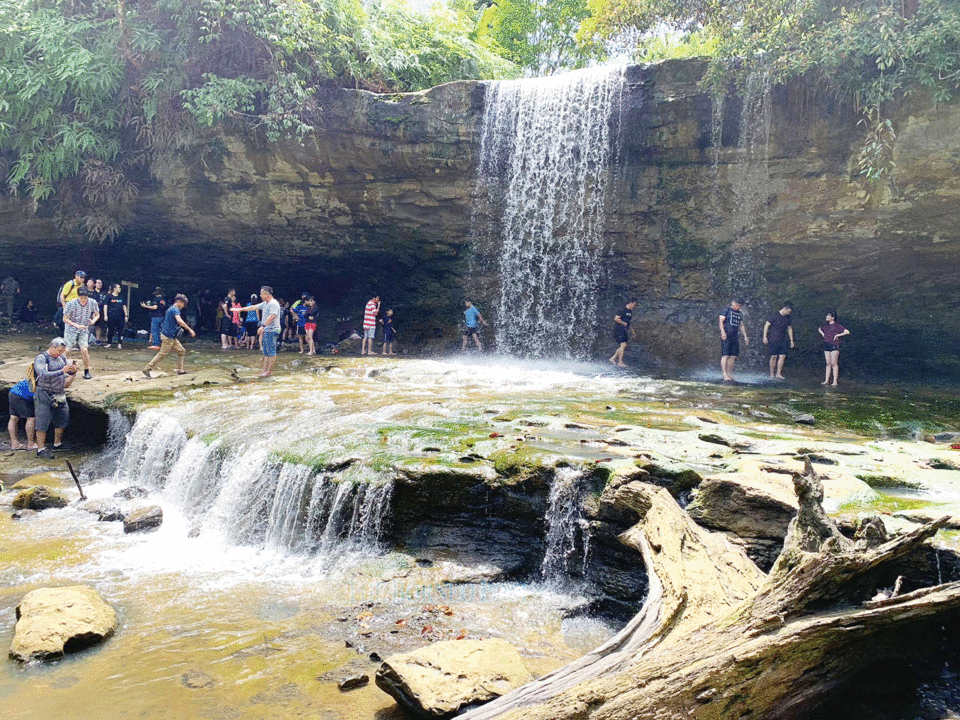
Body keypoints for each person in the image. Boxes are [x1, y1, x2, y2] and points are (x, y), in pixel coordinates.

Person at [33, 337, 79, 458]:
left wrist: (72, 371)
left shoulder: (62, 358)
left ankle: (57, 444)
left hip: (59, 393)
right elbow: (42, 374)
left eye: (62, 350)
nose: (60, 353)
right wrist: (61, 371)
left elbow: (67, 372)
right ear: (52, 347)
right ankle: (40, 449)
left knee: (63, 419)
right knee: (42, 421)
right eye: (59, 350)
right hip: (44, 393)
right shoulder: (42, 358)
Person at [142, 294, 196, 378]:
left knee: (181, 351)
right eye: (183, 304)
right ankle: (147, 369)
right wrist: (190, 329)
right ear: (178, 302)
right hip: (168, 337)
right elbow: (180, 321)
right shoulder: (175, 309)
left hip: (171, 336)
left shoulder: (171, 309)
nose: (184, 306)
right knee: (162, 353)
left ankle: (180, 370)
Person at [236, 286, 281, 377]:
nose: (260, 295)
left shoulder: (274, 303)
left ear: (266, 294)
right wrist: (240, 309)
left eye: (261, 293)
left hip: (272, 330)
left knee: (271, 351)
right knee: (266, 352)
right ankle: (264, 370)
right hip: (267, 330)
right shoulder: (265, 303)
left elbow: (272, 316)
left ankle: (269, 371)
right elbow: (253, 307)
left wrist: (263, 326)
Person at [63, 286, 99, 380]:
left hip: (84, 329)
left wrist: (93, 320)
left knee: (84, 350)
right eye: (81, 297)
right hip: (71, 329)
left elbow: (97, 314)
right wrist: (76, 325)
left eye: (85, 297)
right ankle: (60, 370)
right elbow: (65, 319)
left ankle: (86, 371)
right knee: (67, 350)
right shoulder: (71, 303)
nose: (83, 300)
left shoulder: (92, 302)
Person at [719, 299, 749, 382]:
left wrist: (745, 336)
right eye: (737, 305)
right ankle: (724, 374)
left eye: (740, 306)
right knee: (725, 355)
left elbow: (741, 325)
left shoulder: (739, 313)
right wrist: (723, 332)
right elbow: (721, 321)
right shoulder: (726, 310)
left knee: (733, 356)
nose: (738, 307)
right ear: (733, 303)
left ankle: (729, 373)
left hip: (734, 336)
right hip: (726, 336)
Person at [762, 302, 795, 379]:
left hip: (783, 339)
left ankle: (778, 373)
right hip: (773, 338)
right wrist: (765, 336)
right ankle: (771, 374)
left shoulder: (788, 317)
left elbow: (789, 328)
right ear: (785, 309)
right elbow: (766, 325)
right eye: (788, 311)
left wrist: (791, 340)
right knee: (773, 356)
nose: (788, 313)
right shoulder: (774, 315)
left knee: (782, 356)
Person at [819, 310, 851, 386]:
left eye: (828, 316)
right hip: (826, 345)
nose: (826, 317)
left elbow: (847, 332)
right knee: (828, 363)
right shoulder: (825, 325)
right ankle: (826, 380)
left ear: (832, 318)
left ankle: (835, 381)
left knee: (834, 363)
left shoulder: (837, 326)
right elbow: (819, 329)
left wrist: (837, 335)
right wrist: (824, 335)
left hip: (834, 345)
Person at [7, 369, 37, 450]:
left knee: (13, 418)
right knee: (31, 418)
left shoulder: (33, 374)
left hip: (13, 392)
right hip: (24, 396)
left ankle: (14, 443)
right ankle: (30, 443)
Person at [609, 299, 638, 367]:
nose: (634, 306)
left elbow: (628, 323)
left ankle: (613, 358)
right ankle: (620, 362)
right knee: (623, 345)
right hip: (619, 329)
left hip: (624, 330)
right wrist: (623, 323)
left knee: (624, 345)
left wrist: (632, 331)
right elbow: (616, 319)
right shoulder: (622, 310)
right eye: (633, 304)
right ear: (630, 303)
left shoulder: (630, 312)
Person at [56, 269, 87, 334]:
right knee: (66, 322)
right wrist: (64, 306)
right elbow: (62, 295)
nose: (82, 279)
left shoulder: (82, 285)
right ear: (76, 276)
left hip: (77, 305)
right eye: (81, 277)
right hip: (69, 304)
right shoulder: (70, 284)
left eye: (84, 278)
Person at [103, 283, 129, 348]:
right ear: (114, 288)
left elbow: (124, 306)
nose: (120, 289)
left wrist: (126, 315)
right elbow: (105, 306)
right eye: (118, 287)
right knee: (110, 329)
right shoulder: (109, 296)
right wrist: (105, 315)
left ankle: (119, 343)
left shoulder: (121, 297)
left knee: (120, 330)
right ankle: (109, 343)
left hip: (120, 316)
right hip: (111, 315)